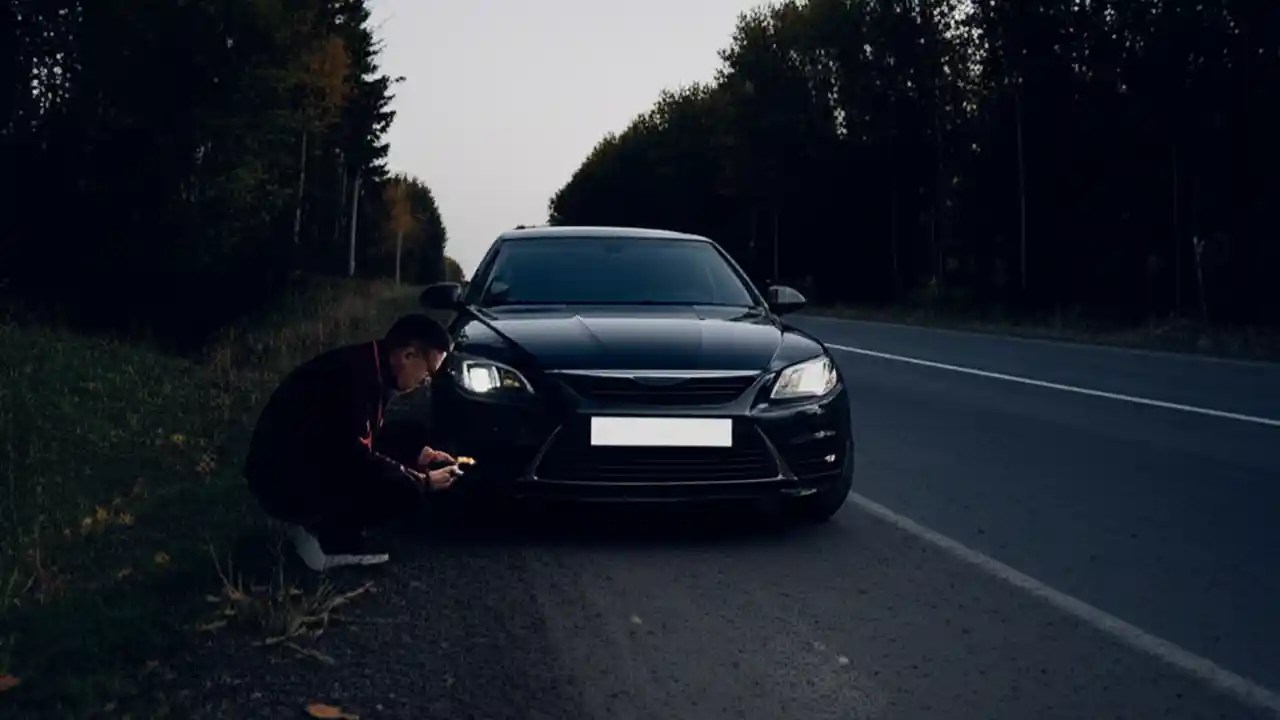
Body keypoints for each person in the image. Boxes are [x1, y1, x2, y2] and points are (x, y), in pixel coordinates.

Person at [244, 313, 460, 571]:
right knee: (404, 491)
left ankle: (319, 524)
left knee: (410, 439)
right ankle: (328, 540)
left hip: (293, 464)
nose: (427, 381)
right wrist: (422, 482)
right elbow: (356, 458)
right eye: (429, 370)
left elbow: (366, 434)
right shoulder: (354, 378)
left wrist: (418, 454)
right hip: (282, 481)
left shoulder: (370, 365)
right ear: (408, 355)